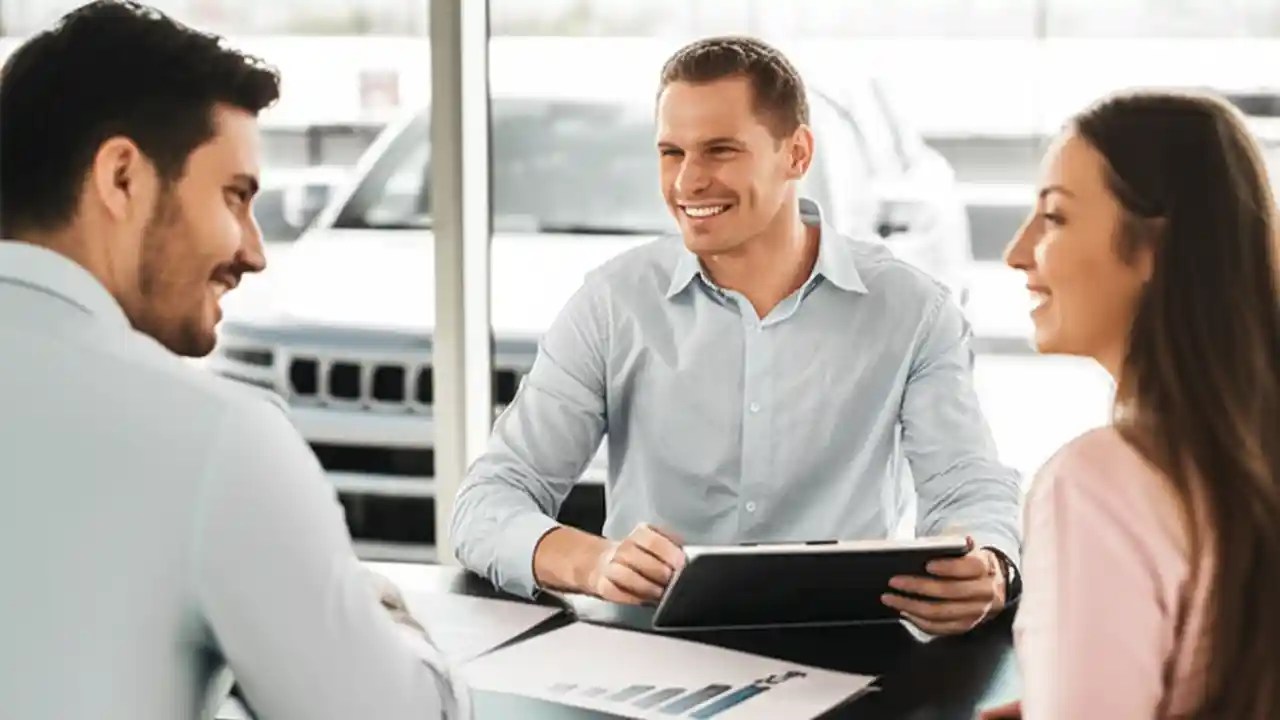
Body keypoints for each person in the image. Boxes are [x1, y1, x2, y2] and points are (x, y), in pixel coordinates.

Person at [451, 36, 1022, 636]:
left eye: (720, 151)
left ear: (796, 154)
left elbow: (967, 484)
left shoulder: (912, 311)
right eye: (671, 153)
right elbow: (488, 502)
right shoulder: (612, 305)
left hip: (852, 650)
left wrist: (992, 564)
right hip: (650, 652)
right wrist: (596, 562)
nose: (688, 182)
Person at [0, 3, 465, 718]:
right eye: (235, 196)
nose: (252, 250)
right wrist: (371, 615)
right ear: (122, 178)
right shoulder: (211, 439)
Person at [982, 91, 1280, 719]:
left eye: (1055, 219)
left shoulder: (1096, 484)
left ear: (1153, 249)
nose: (1017, 253)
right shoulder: (1252, 451)